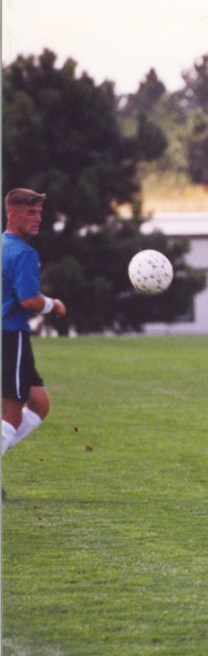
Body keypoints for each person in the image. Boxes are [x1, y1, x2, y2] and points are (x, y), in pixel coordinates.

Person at [2, 189, 67, 483]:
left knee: (39, 403)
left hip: (14, 338)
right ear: (12, 214)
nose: (38, 218)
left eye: (39, 212)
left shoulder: (3, 246)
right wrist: (54, 304)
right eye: (31, 213)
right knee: (11, 415)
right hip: (9, 336)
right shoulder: (24, 253)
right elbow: (29, 300)